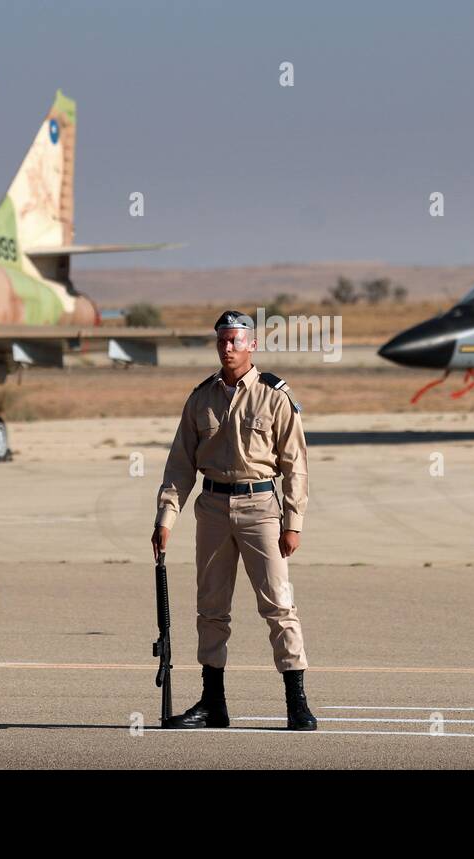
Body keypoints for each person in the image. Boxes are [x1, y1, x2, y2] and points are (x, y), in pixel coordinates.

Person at [151, 310, 316, 731]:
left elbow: (295, 464)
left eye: (236, 341)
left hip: (261, 508)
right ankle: (213, 704)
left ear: (251, 345)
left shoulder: (274, 395)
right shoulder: (201, 398)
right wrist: (166, 517)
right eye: (223, 340)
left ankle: (296, 701)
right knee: (211, 609)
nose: (228, 348)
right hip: (212, 509)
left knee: (279, 605)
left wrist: (293, 521)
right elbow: (179, 465)